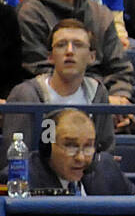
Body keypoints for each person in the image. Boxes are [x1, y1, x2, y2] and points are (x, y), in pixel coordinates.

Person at [3, 18, 116, 153]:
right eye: (61, 45)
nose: (69, 51)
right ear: (50, 56)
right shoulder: (26, 94)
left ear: (92, 57)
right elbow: (15, 159)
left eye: (78, 45)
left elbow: (106, 151)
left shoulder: (98, 93)